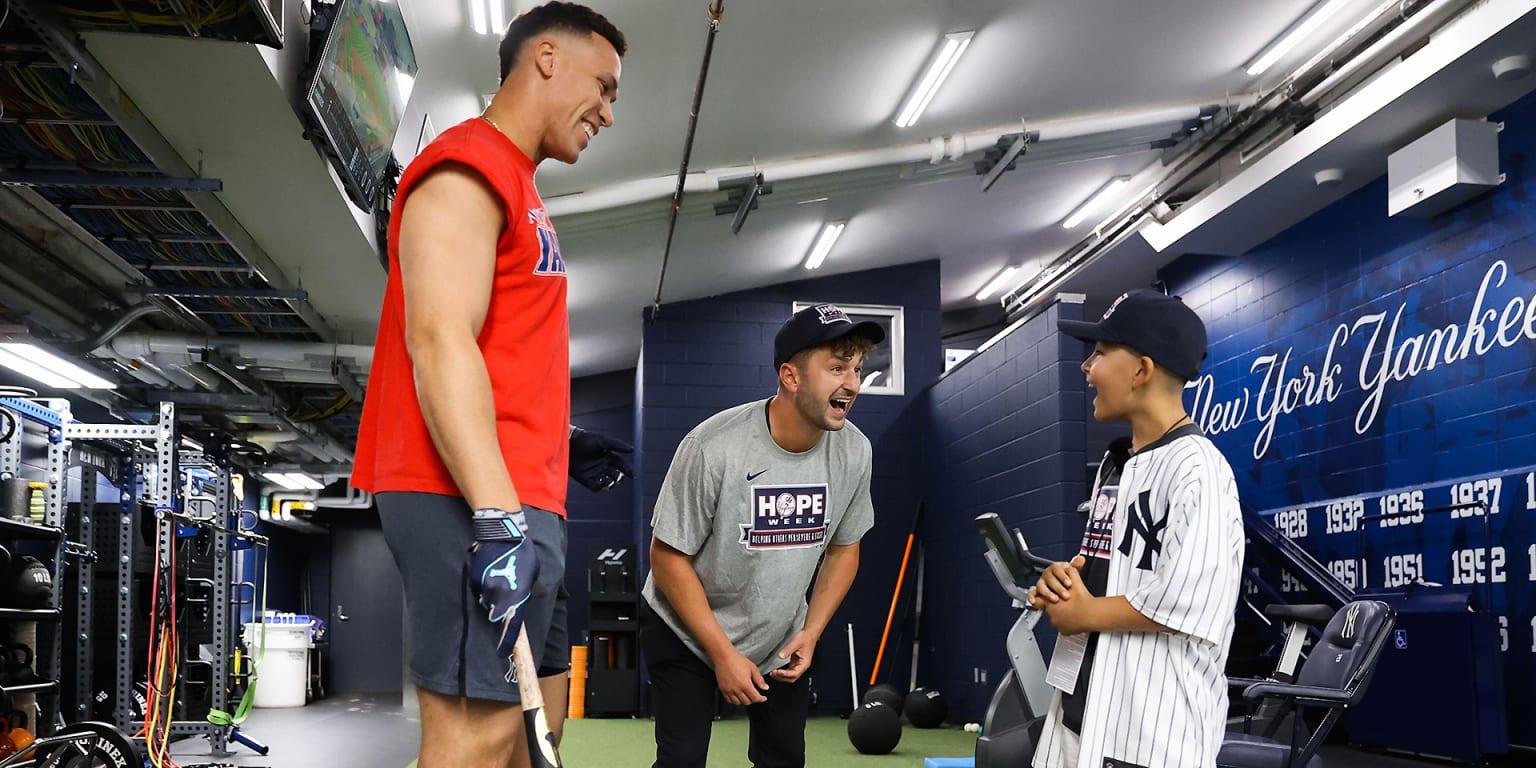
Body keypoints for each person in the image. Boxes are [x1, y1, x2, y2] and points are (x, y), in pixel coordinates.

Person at [349, 5, 627, 767]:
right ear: (545, 57)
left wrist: (557, 444)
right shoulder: (467, 164)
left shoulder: (522, 186)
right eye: (602, 87)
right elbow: (439, 341)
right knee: (474, 742)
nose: (607, 111)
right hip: (469, 499)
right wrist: (498, 517)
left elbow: (498, 351)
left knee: (528, 739)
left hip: (517, 489)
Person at [641, 303, 884, 768]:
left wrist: (811, 632)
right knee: (682, 761)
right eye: (837, 368)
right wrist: (722, 654)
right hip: (687, 630)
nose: (852, 383)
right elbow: (667, 558)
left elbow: (844, 549)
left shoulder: (854, 451)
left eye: (857, 369)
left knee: (783, 759)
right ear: (791, 377)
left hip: (778, 634)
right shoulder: (713, 446)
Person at [1028, 290, 1243, 768]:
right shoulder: (1120, 464)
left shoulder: (1198, 469)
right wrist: (1067, 586)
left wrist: (1084, 613)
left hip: (1151, 736)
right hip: (1083, 711)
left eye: (1101, 353)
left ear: (1142, 370)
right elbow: (1107, 581)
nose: (1087, 367)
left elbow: (1188, 603)